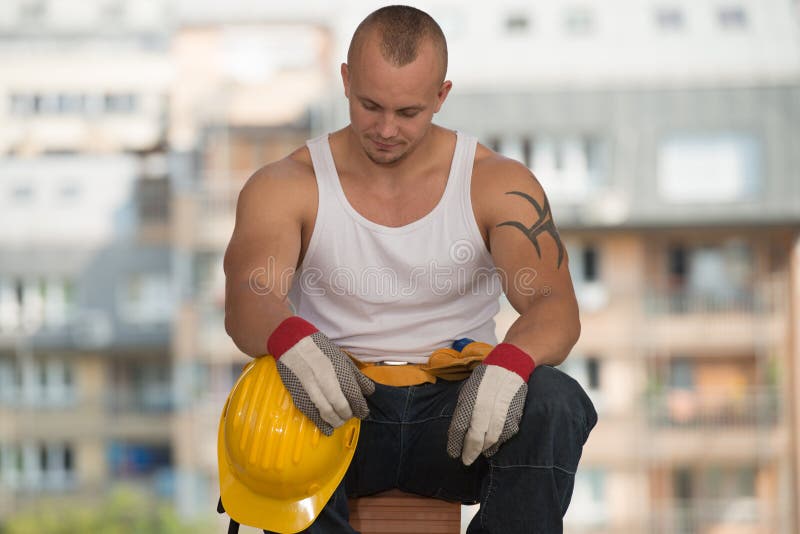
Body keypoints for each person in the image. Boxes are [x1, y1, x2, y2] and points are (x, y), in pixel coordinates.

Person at [223, 5, 597, 533]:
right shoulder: (286, 182)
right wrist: (290, 338)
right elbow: (246, 299)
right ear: (346, 81)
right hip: (337, 411)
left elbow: (555, 307)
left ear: (441, 97)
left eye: (409, 112)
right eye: (370, 105)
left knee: (555, 400)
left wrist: (511, 361)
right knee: (272, 388)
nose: (385, 129)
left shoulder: (495, 182)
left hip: (461, 418)